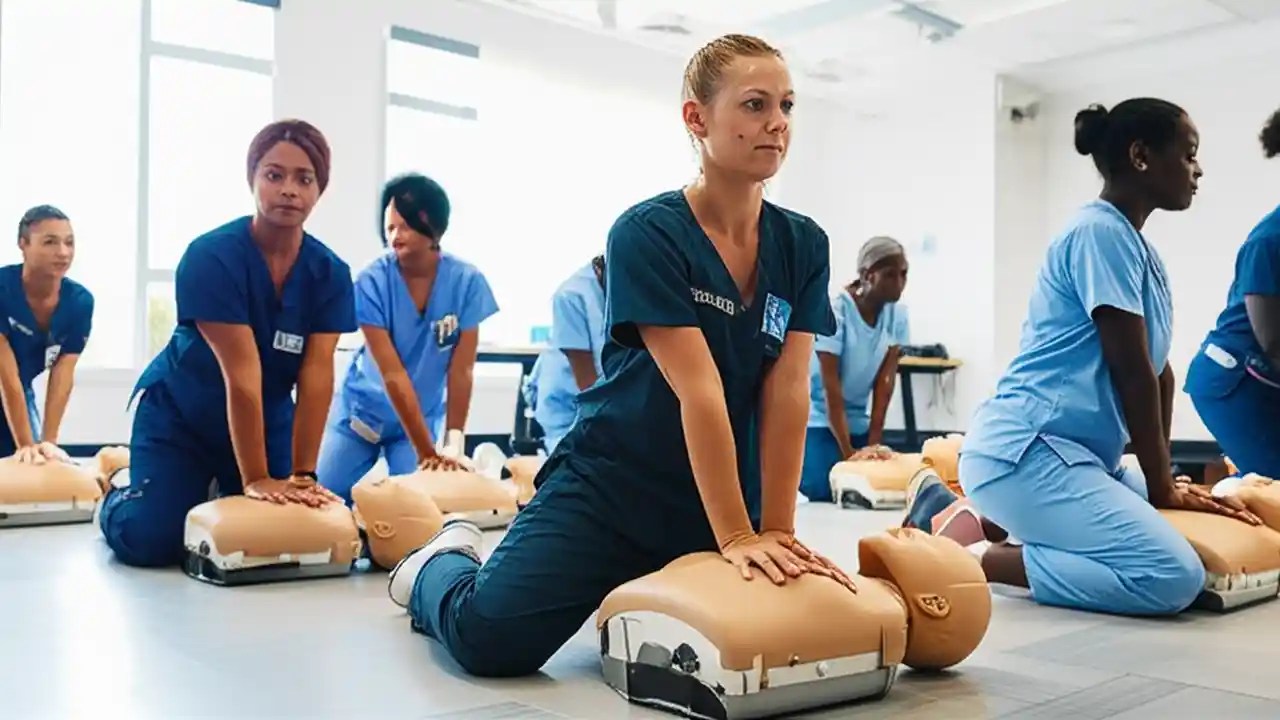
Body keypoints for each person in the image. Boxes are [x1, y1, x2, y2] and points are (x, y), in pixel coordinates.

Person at [384, 34, 855, 678]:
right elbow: (701, 389)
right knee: (489, 639)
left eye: (787, 105)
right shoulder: (648, 232)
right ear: (697, 118)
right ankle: (439, 563)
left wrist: (773, 527)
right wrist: (739, 537)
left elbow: (788, 388)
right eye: (754, 104)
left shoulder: (803, 243)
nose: (777, 122)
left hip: (718, 495)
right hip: (611, 485)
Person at [903, 98, 1260, 617]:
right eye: (1188, 155)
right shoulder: (1099, 233)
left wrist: (1165, 481)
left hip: (1082, 458)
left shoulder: (1139, 248)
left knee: (1197, 505)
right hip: (1025, 454)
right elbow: (1129, 370)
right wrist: (1159, 487)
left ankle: (960, 514)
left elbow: (1158, 371)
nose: (1197, 168)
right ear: (1140, 156)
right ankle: (973, 555)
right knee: (1171, 576)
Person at [97, 119, 355, 568]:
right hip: (182, 414)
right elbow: (242, 374)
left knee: (284, 532)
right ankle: (119, 492)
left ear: (320, 190)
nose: (289, 190)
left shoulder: (329, 272)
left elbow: (316, 377)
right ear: (252, 178)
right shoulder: (211, 257)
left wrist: (303, 475)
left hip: (268, 417)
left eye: (304, 179)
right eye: (274, 175)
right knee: (152, 538)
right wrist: (256, 479)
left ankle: (216, 487)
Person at [317, 173, 498, 505]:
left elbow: (461, 371)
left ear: (436, 229)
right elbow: (391, 373)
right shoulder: (371, 282)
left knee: (419, 510)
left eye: (407, 225)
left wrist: (452, 444)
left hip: (418, 424)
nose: (396, 236)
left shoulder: (466, 282)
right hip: (361, 416)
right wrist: (427, 451)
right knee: (324, 499)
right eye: (390, 228)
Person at [1184, 108, 1280, 477]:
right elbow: (1274, 341)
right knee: (1272, 480)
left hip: (1264, 376)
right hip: (1234, 383)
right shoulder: (1270, 240)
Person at [799, 236, 909, 501]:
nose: (899, 283)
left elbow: (885, 383)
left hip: (858, 419)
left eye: (904, 274)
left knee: (888, 483)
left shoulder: (898, 314)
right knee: (824, 489)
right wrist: (849, 454)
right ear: (867, 275)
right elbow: (830, 387)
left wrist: (873, 445)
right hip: (820, 419)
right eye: (890, 275)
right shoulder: (835, 312)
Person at [0, 205, 93, 463]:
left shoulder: (80, 302)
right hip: (7, 382)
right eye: (50, 242)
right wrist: (26, 447)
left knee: (36, 463)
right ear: (23, 244)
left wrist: (47, 444)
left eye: (69, 242)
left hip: (21, 387)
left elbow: (62, 375)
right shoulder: (2, 290)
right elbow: (6, 378)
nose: (63, 252)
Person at [523, 255, 607, 454]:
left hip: (607, 411)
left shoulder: (634, 294)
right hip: (569, 415)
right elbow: (588, 388)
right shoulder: (572, 296)